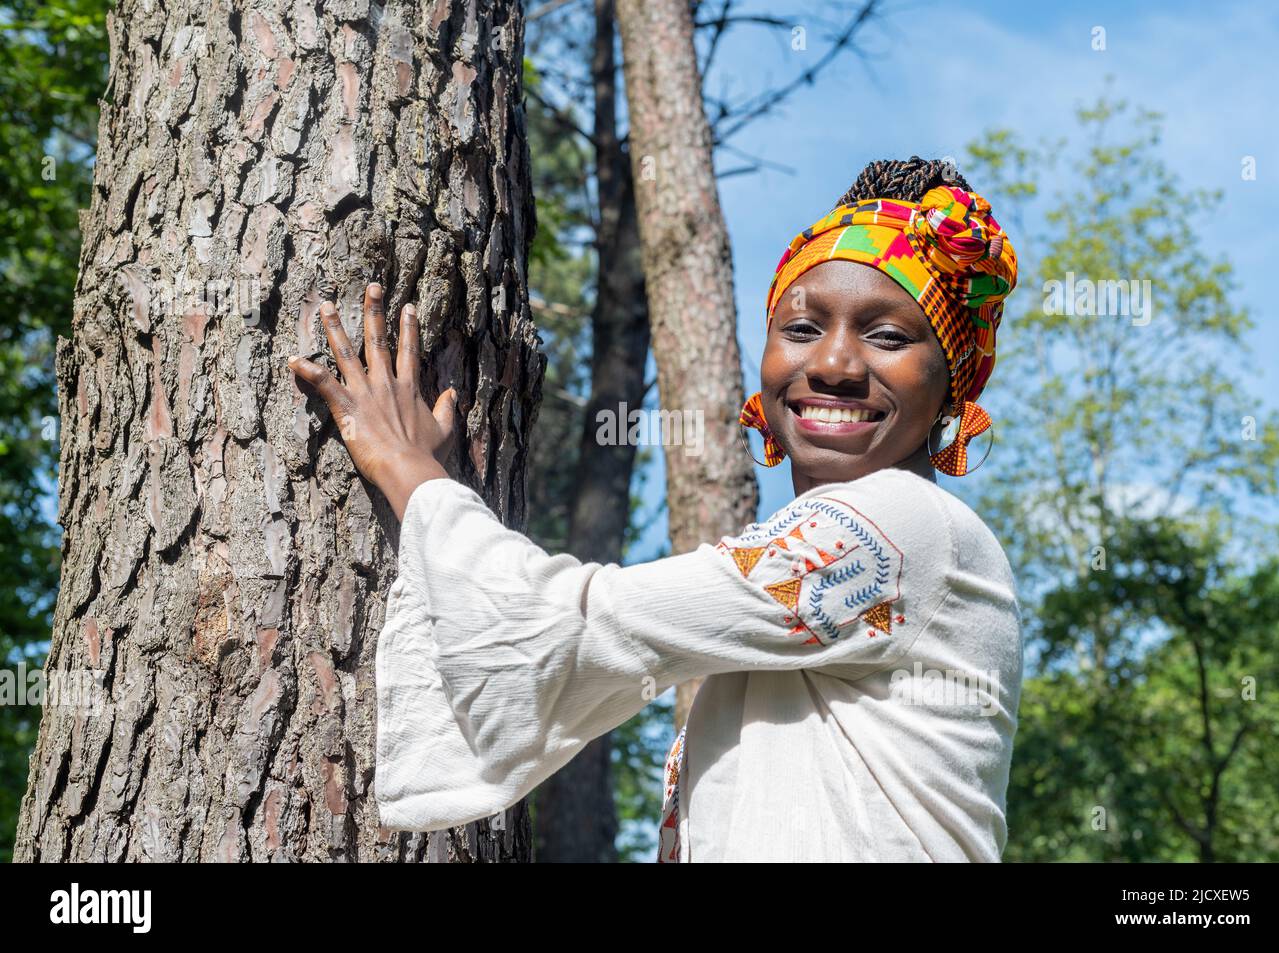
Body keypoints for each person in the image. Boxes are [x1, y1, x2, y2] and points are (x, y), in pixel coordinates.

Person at [288, 156, 1023, 863]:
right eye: (801, 328)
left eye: (888, 335)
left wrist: (409, 471)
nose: (831, 364)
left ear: (953, 384)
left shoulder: (904, 524)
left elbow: (592, 625)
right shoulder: (849, 578)